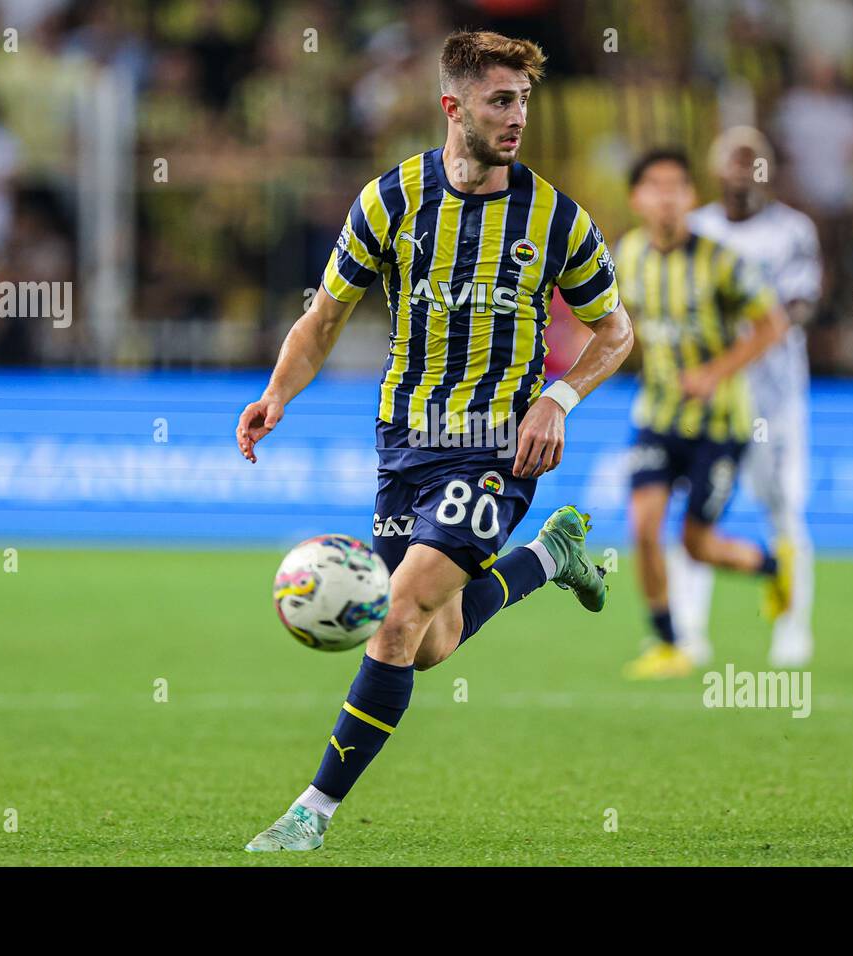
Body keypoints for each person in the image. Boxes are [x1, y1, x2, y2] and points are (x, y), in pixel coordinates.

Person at [236, 30, 634, 851]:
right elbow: (323, 320)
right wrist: (276, 393)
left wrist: (557, 399)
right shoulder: (389, 201)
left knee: (397, 615)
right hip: (406, 442)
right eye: (500, 100)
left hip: (498, 448)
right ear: (452, 107)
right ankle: (549, 560)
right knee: (429, 641)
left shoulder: (556, 217)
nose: (517, 116)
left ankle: (312, 810)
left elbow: (616, 331)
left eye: (523, 100)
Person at [615, 149, 789, 681]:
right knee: (643, 525)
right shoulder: (628, 255)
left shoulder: (722, 261)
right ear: (636, 199)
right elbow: (621, 323)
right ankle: (668, 642)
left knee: (696, 545)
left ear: (692, 197)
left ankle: (772, 567)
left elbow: (772, 325)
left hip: (720, 424)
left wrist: (714, 373)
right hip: (658, 416)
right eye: (654, 185)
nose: (666, 197)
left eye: (677, 186)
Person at [677, 127, 821, 667]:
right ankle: (686, 631)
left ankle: (791, 627)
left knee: (782, 509)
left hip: (773, 401)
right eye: (735, 161)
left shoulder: (791, 231)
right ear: (717, 171)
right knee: (695, 514)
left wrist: (742, 331)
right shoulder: (698, 229)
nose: (744, 172)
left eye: (754, 161)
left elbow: (801, 304)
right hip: (711, 401)